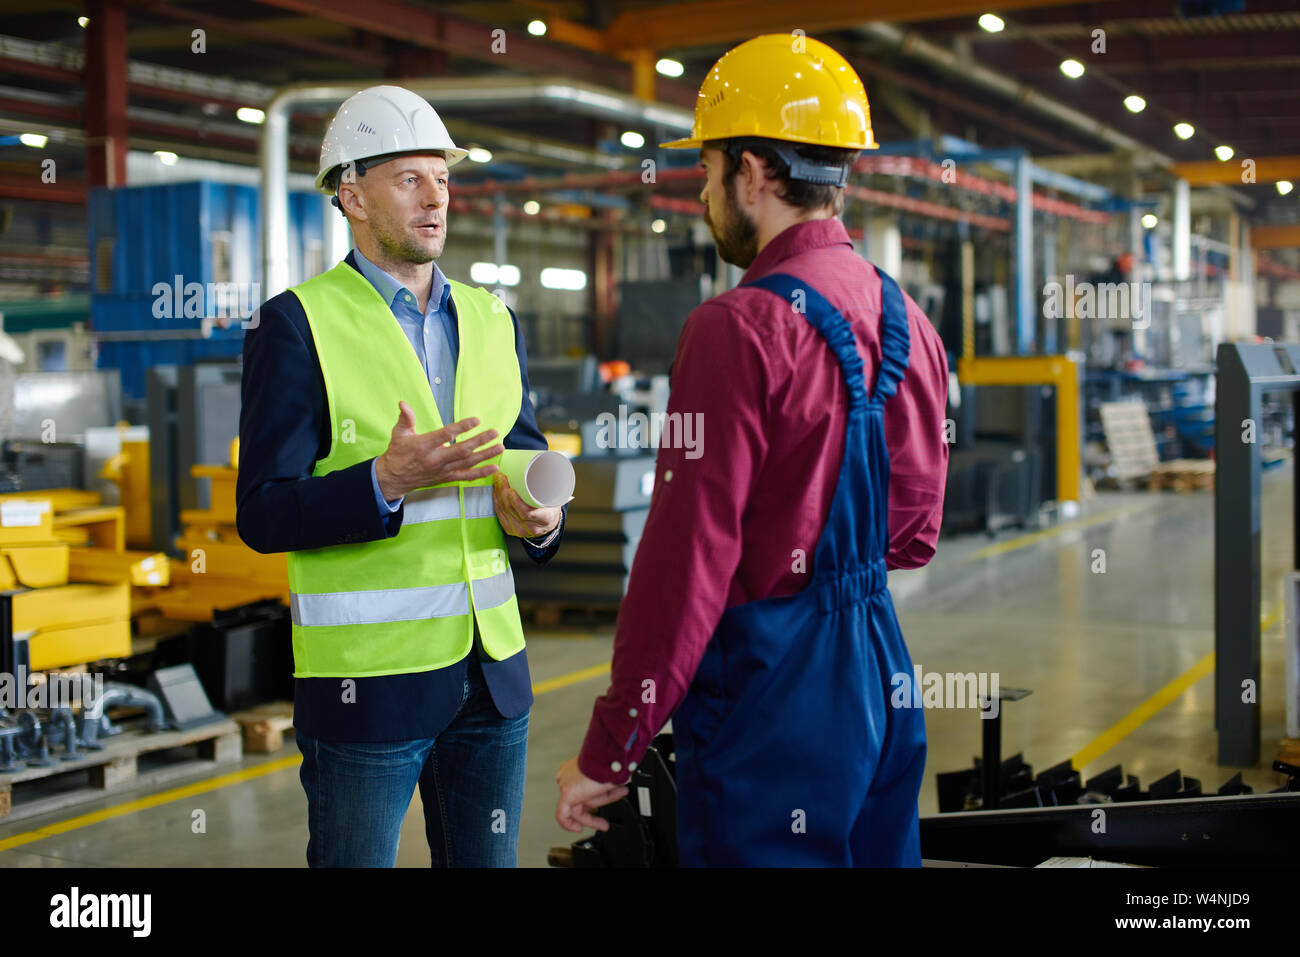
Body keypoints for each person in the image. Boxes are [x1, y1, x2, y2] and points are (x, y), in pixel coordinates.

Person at [555, 35, 950, 866]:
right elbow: (913, 533)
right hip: (883, 676)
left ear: (755, 171)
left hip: (774, 697)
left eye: (706, 171)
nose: (701, 194)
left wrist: (613, 745)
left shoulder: (735, 328)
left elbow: (684, 562)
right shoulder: (905, 318)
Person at [237, 85, 564, 867]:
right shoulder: (295, 324)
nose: (435, 199)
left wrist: (540, 518)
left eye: (442, 179)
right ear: (350, 195)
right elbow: (263, 512)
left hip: (492, 678)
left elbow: (518, 451)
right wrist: (382, 480)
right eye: (408, 179)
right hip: (368, 688)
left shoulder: (491, 318)